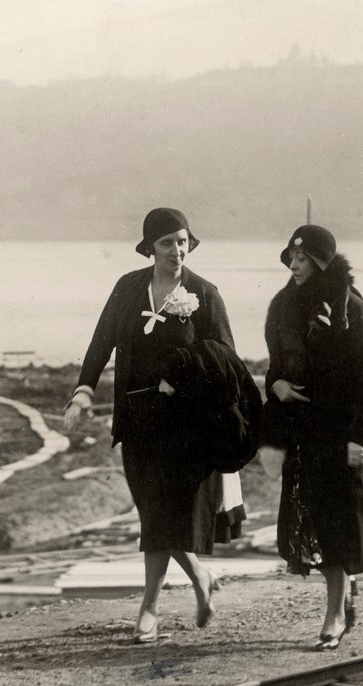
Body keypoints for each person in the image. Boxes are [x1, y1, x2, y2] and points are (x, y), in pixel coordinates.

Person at [64, 207, 259, 644]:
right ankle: (200, 577)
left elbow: (225, 360)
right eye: (168, 242)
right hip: (138, 423)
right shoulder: (129, 288)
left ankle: (148, 610)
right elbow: (101, 341)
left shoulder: (205, 294)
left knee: (161, 519)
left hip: (189, 429)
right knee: (155, 515)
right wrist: (84, 390)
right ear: (150, 247)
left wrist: (183, 373)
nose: (177, 250)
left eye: (183, 241)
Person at [259, 224, 363, 651]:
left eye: (303, 258)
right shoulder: (283, 306)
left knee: (335, 524)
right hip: (303, 433)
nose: (293, 265)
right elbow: (275, 364)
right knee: (317, 519)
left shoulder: (352, 309)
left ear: (321, 262)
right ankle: (341, 599)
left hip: (341, 433)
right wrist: (277, 386)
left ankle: (334, 616)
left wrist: (358, 439)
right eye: (291, 258)